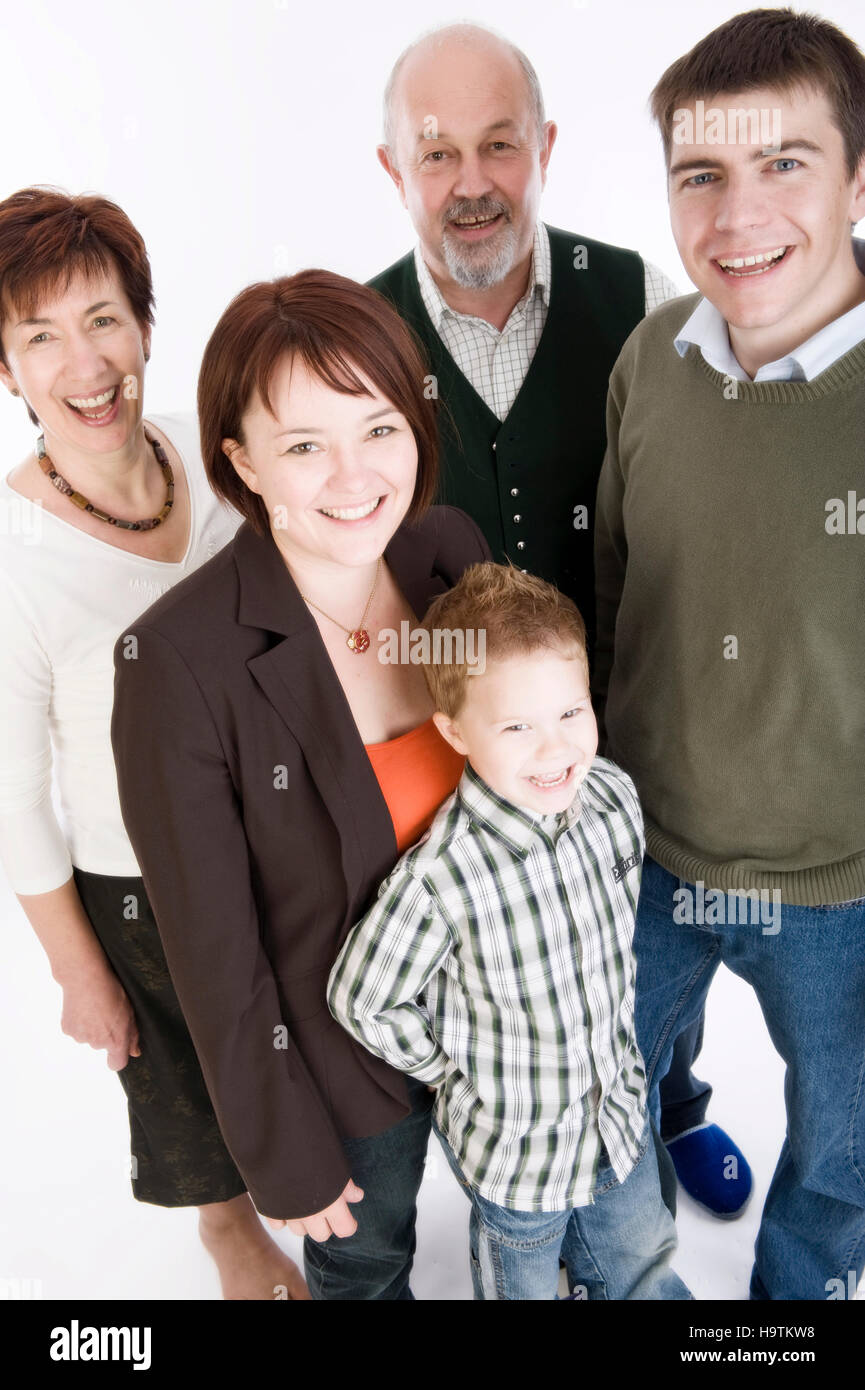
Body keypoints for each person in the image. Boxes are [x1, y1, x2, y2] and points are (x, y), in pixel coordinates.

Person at [366, 19, 746, 1216]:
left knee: (641, 950)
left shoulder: (635, 292)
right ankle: (514, 1159)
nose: (470, 182)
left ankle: (666, 1102)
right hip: (453, 746)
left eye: (498, 145)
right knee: (504, 969)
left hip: (616, 717)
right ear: (392, 172)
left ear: (545, 147)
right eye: (435, 155)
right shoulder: (356, 332)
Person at [110, 268, 491, 1300]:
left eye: (377, 427)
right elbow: (213, 953)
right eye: (303, 445)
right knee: (370, 1258)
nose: (354, 474)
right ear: (241, 461)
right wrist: (283, 1150)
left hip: (499, 1026)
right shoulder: (178, 664)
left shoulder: (448, 554)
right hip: (346, 1065)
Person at [593, 8, 865, 1299]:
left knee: (844, 1151)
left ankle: (788, 1307)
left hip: (843, 885)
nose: (736, 213)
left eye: (785, 165)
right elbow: (617, 588)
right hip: (648, 849)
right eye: (701, 173)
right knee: (607, 1097)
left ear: (858, 175)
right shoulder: (651, 356)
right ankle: (638, 1266)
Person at [0, 186, 308, 1299]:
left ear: (144, 326)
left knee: (300, 1041)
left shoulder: (213, 454)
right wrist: (79, 970)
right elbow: (11, 798)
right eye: (38, 336)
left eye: (102, 319)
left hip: (284, 830)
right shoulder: (14, 558)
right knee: (183, 1080)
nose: (83, 363)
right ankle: (229, 1232)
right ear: (7, 369)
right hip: (142, 884)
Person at [329, 562, 691, 1300]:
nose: (554, 749)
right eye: (516, 727)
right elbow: (360, 999)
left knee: (643, 1255)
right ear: (454, 731)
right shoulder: (443, 876)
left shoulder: (613, 798)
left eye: (569, 713)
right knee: (519, 1281)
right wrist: (448, 1068)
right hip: (514, 1153)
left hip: (616, 1120)